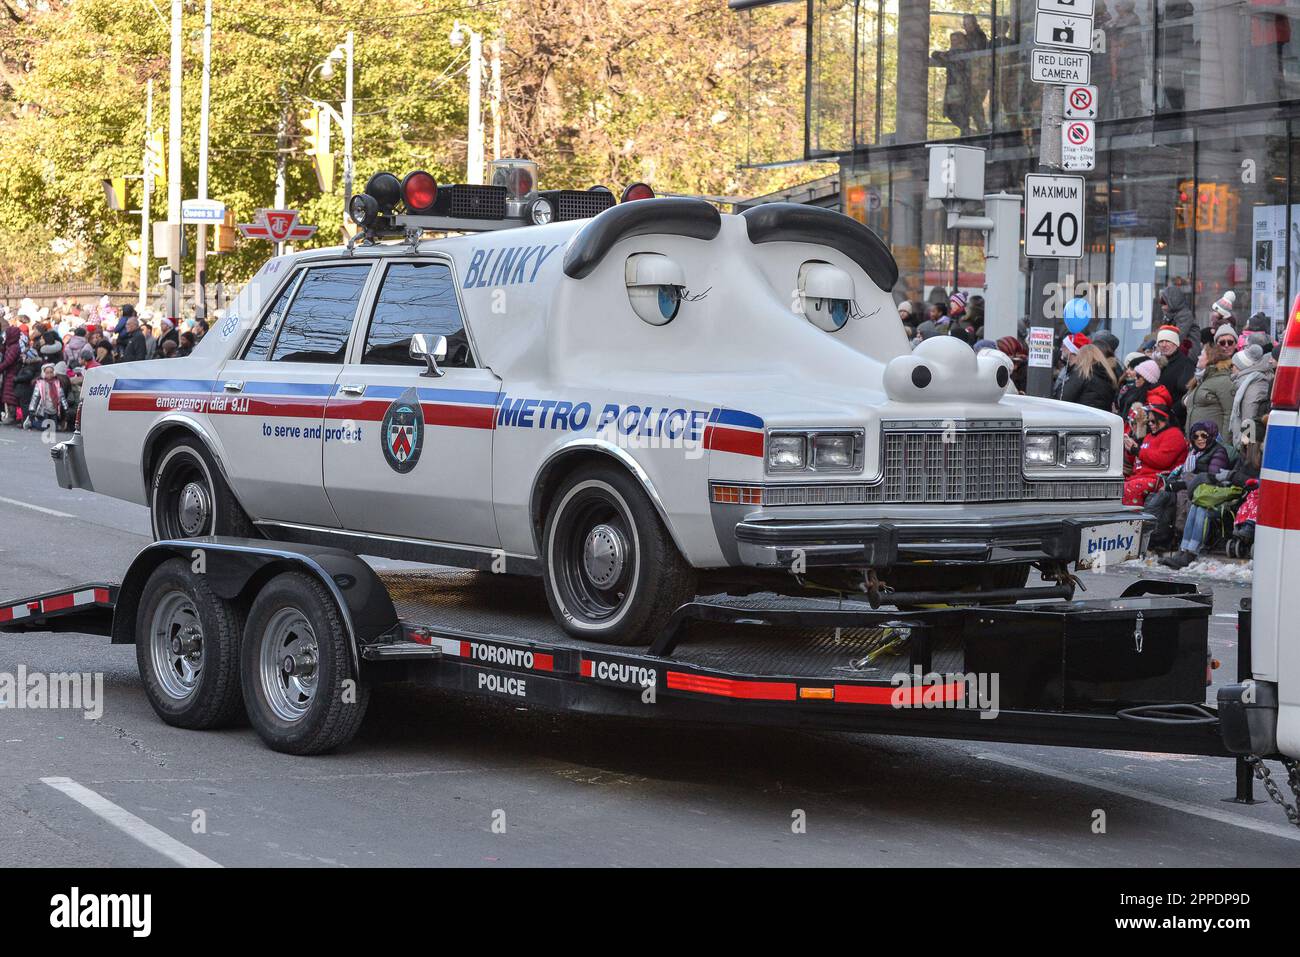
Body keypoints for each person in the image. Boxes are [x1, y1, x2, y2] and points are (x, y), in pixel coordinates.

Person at [1123, 397, 1187, 506]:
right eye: (1149, 421)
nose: (1150, 424)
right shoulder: (1149, 436)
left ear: (1165, 420)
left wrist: (1137, 451)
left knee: (1128, 488)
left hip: (1158, 479)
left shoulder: (1174, 434)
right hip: (1139, 476)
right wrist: (1130, 450)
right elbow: (1137, 461)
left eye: (1153, 421)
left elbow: (1162, 460)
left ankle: (1135, 521)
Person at [1183, 325, 1237, 436]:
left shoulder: (1223, 379)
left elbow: (1229, 413)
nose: (1226, 346)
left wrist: (1225, 444)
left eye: (1230, 342)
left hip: (1213, 443)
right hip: (1197, 441)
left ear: (1210, 358)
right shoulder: (1202, 377)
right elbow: (1186, 398)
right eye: (1222, 343)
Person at [1229, 343, 1274, 450]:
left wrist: (1245, 448)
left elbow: (1249, 417)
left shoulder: (1255, 384)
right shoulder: (1246, 383)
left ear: (1241, 367)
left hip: (1247, 445)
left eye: (1233, 365)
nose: (1231, 368)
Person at [931, 32, 973, 136]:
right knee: (952, 111)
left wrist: (947, 59)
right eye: (952, 40)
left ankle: (967, 132)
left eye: (955, 40)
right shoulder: (952, 53)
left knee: (958, 111)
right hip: (953, 85)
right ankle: (967, 132)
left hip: (961, 86)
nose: (953, 43)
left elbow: (961, 67)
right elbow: (934, 54)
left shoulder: (965, 53)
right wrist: (942, 56)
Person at [1155, 325, 1194, 426]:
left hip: (1176, 420)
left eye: (1168, 341)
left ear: (1176, 344)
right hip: (1158, 417)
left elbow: (1188, 392)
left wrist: (1173, 411)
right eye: (1161, 342)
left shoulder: (1185, 364)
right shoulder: (1157, 363)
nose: (1164, 345)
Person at [1061, 343, 1118, 411]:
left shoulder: (1082, 375)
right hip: (1102, 418)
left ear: (1082, 357)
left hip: (1083, 417)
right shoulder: (1109, 375)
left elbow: (1064, 397)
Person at [24, 363, 67, 432]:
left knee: (53, 429)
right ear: (44, 373)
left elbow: (61, 396)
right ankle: (31, 423)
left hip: (54, 409)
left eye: (51, 372)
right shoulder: (40, 383)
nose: (49, 375)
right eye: (47, 373)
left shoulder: (57, 383)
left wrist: (65, 407)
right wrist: (32, 409)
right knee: (44, 427)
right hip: (44, 409)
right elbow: (35, 397)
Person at [1159, 285, 1197, 358]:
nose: (1162, 307)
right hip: (1177, 354)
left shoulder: (1185, 315)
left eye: (1164, 302)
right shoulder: (1170, 315)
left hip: (1188, 356)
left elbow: (1176, 337)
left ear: (1173, 301)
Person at [0, 320, 20, 424]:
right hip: (9, 373)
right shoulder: (11, 346)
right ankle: (9, 415)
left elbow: (8, 361)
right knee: (7, 395)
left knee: (9, 396)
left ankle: (11, 416)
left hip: (12, 373)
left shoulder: (14, 347)